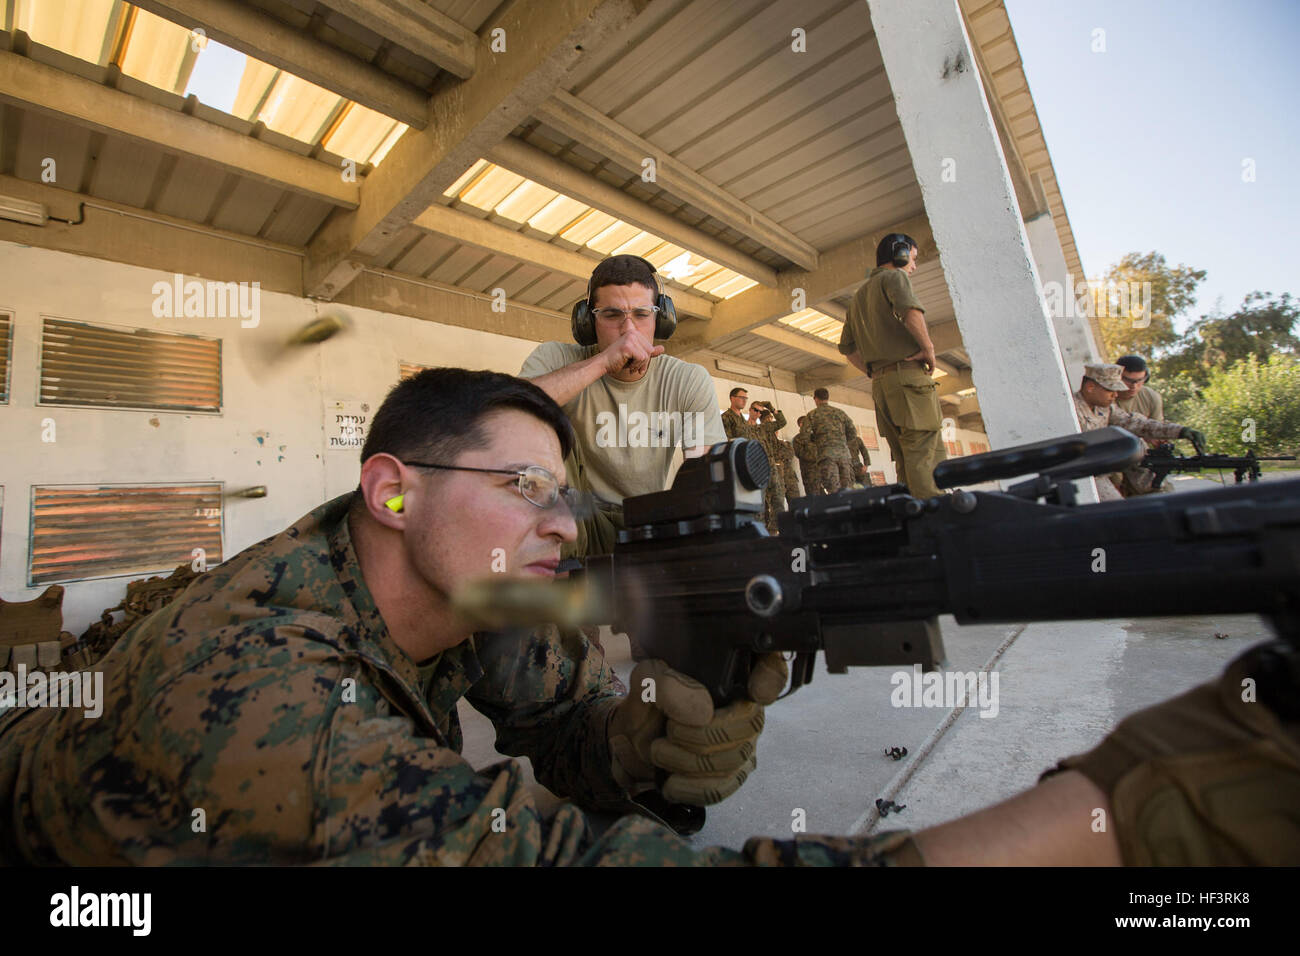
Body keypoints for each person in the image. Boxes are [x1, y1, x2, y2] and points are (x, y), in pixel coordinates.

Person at [3, 369, 1293, 866]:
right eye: (524, 487)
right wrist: (1109, 810)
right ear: (390, 490)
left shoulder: (489, 581)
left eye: (561, 494)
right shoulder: (259, 684)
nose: (558, 520)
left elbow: (569, 736)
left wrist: (654, 737)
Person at [519, 255, 726, 557]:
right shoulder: (556, 359)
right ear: (589, 322)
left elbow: (705, 476)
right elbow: (508, 414)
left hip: (650, 520)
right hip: (580, 516)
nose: (629, 330)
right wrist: (602, 362)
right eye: (612, 315)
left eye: (642, 314)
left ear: (661, 319)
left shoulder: (687, 380)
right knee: (538, 426)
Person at [837, 232, 946, 499]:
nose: (914, 265)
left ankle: (912, 514)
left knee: (904, 459)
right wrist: (928, 349)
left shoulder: (858, 297)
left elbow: (847, 348)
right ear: (900, 253)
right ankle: (936, 516)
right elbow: (911, 312)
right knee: (924, 453)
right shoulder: (895, 278)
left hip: (882, 387)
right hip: (909, 381)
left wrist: (873, 370)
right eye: (912, 257)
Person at [1073, 363, 1206, 502]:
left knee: (1137, 446)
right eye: (1110, 390)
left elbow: (1135, 423)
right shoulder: (1073, 410)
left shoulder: (1105, 408)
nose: (1115, 395)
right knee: (1117, 512)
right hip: (1086, 473)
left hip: (1102, 469)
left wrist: (1179, 431)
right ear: (1090, 387)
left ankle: (1156, 496)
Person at [1113, 354, 1168, 496]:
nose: (1134, 386)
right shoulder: (1105, 397)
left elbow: (1156, 431)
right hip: (1111, 459)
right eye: (1128, 380)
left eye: (1139, 381)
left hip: (1140, 460)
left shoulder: (1151, 397)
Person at [806, 387, 856, 493]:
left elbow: (804, 437)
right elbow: (852, 433)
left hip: (826, 456)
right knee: (848, 489)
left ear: (815, 399)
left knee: (833, 490)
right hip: (844, 455)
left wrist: (817, 441)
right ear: (827, 398)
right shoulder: (840, 413)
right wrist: (841, 442)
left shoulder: (812, 415)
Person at [750, 401, 788, 533]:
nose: (758, 413)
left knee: (778, 497)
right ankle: (760, 532)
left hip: (770, 466)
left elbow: (782, 422)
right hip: (755, 468)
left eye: (760, 411)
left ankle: (777, 529)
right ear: (750, 410)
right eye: (756, 410)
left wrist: (772, 409)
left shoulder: (764, 427)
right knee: (759, 502)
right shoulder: (744, 428)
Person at [792, 415, 821, 494]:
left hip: (822, 472)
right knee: (814, 499)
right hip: (810, 474)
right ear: (801, 424)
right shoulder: (797, 439)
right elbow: (801, 454)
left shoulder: (816, 436)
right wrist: (818, 455)